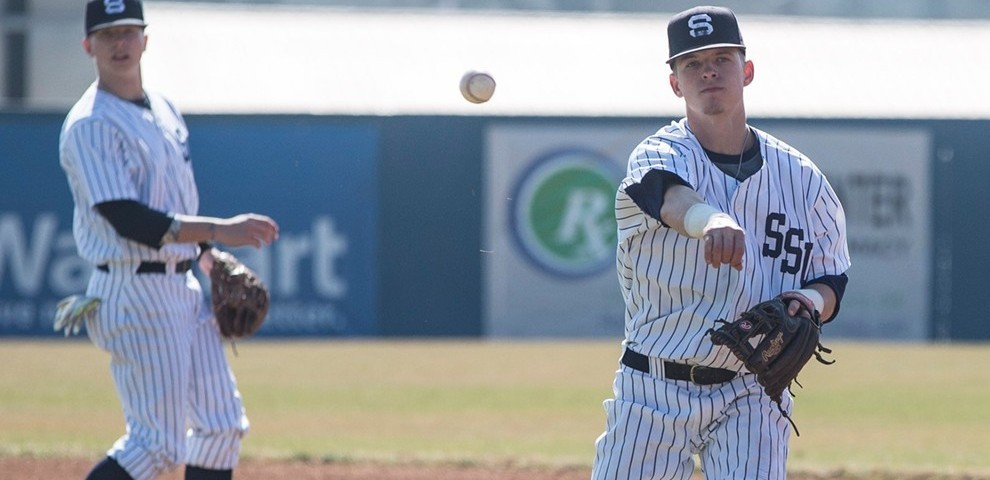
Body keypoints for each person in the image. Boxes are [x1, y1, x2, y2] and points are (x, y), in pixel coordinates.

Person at [591, 5, 850, 479]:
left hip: (754, 391)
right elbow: (669, 196)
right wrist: (709, 220)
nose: (708, 71)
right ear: (675, 84)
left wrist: (809, 301)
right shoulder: (659, 153)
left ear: (746, 71)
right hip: (653, 386)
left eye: (721, 59)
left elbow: (832, 280)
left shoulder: (803, 179)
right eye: (692, 63)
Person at [58, 1, 280, 479]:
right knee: (156, 445)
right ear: (88, 46)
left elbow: (172, 200)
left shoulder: (164, 108)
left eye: (128, 31)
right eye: (107, 34)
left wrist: (206, 254)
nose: (120, 43)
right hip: (134, 290)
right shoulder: (90, 124)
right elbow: (128, 219)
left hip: (182, 286)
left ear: (146, 39)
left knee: (220, 428)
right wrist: (219, 228)